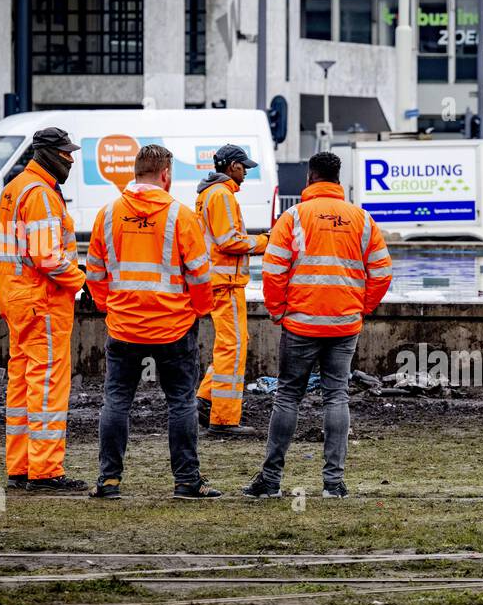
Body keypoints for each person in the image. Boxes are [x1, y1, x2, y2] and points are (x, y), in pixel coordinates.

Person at [242, 151, 392, 499]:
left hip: (301, 324)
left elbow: (273, 270)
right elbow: (382, 273)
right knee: (336, 396)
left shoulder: (293, 218)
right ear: (338, 180)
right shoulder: (361, 219)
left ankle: (271, 480)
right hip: (344, 325)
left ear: (309, 178)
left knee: (288, 396)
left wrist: (278, 310)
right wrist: (360, 308)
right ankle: (334, 483)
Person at [84, 144, 218, 500]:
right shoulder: (182, 216)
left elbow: (95, 273)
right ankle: (187, 481)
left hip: (125, 326)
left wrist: (107, 307)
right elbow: (201, 277)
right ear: (166, 175)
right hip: (173, 327)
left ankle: (109, 481)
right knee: (181, 402)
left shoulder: (108, 214)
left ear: (135, 171)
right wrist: (200, 309)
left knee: (116, 401)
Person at [0, 126, 87, 492]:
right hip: (42, 303)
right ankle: (46, 471)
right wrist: (83, 282)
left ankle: (20, 466)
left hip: (17, 301)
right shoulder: (42, 195)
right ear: (47, 153)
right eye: (65, 153)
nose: (70, 159)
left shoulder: (15, 188)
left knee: (20, 384)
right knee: (47, 384)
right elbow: (48, 257)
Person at [194, 144, 269, 438]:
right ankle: (223, 420)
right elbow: (229, 241)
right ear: (231, 166)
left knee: (231, 343)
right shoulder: (221, 194)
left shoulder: (209, 194)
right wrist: (265, 242)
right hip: (225, 284)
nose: (246, 172)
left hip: (216, 282)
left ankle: (206, 399)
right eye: (243, 166)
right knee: (233, 346)